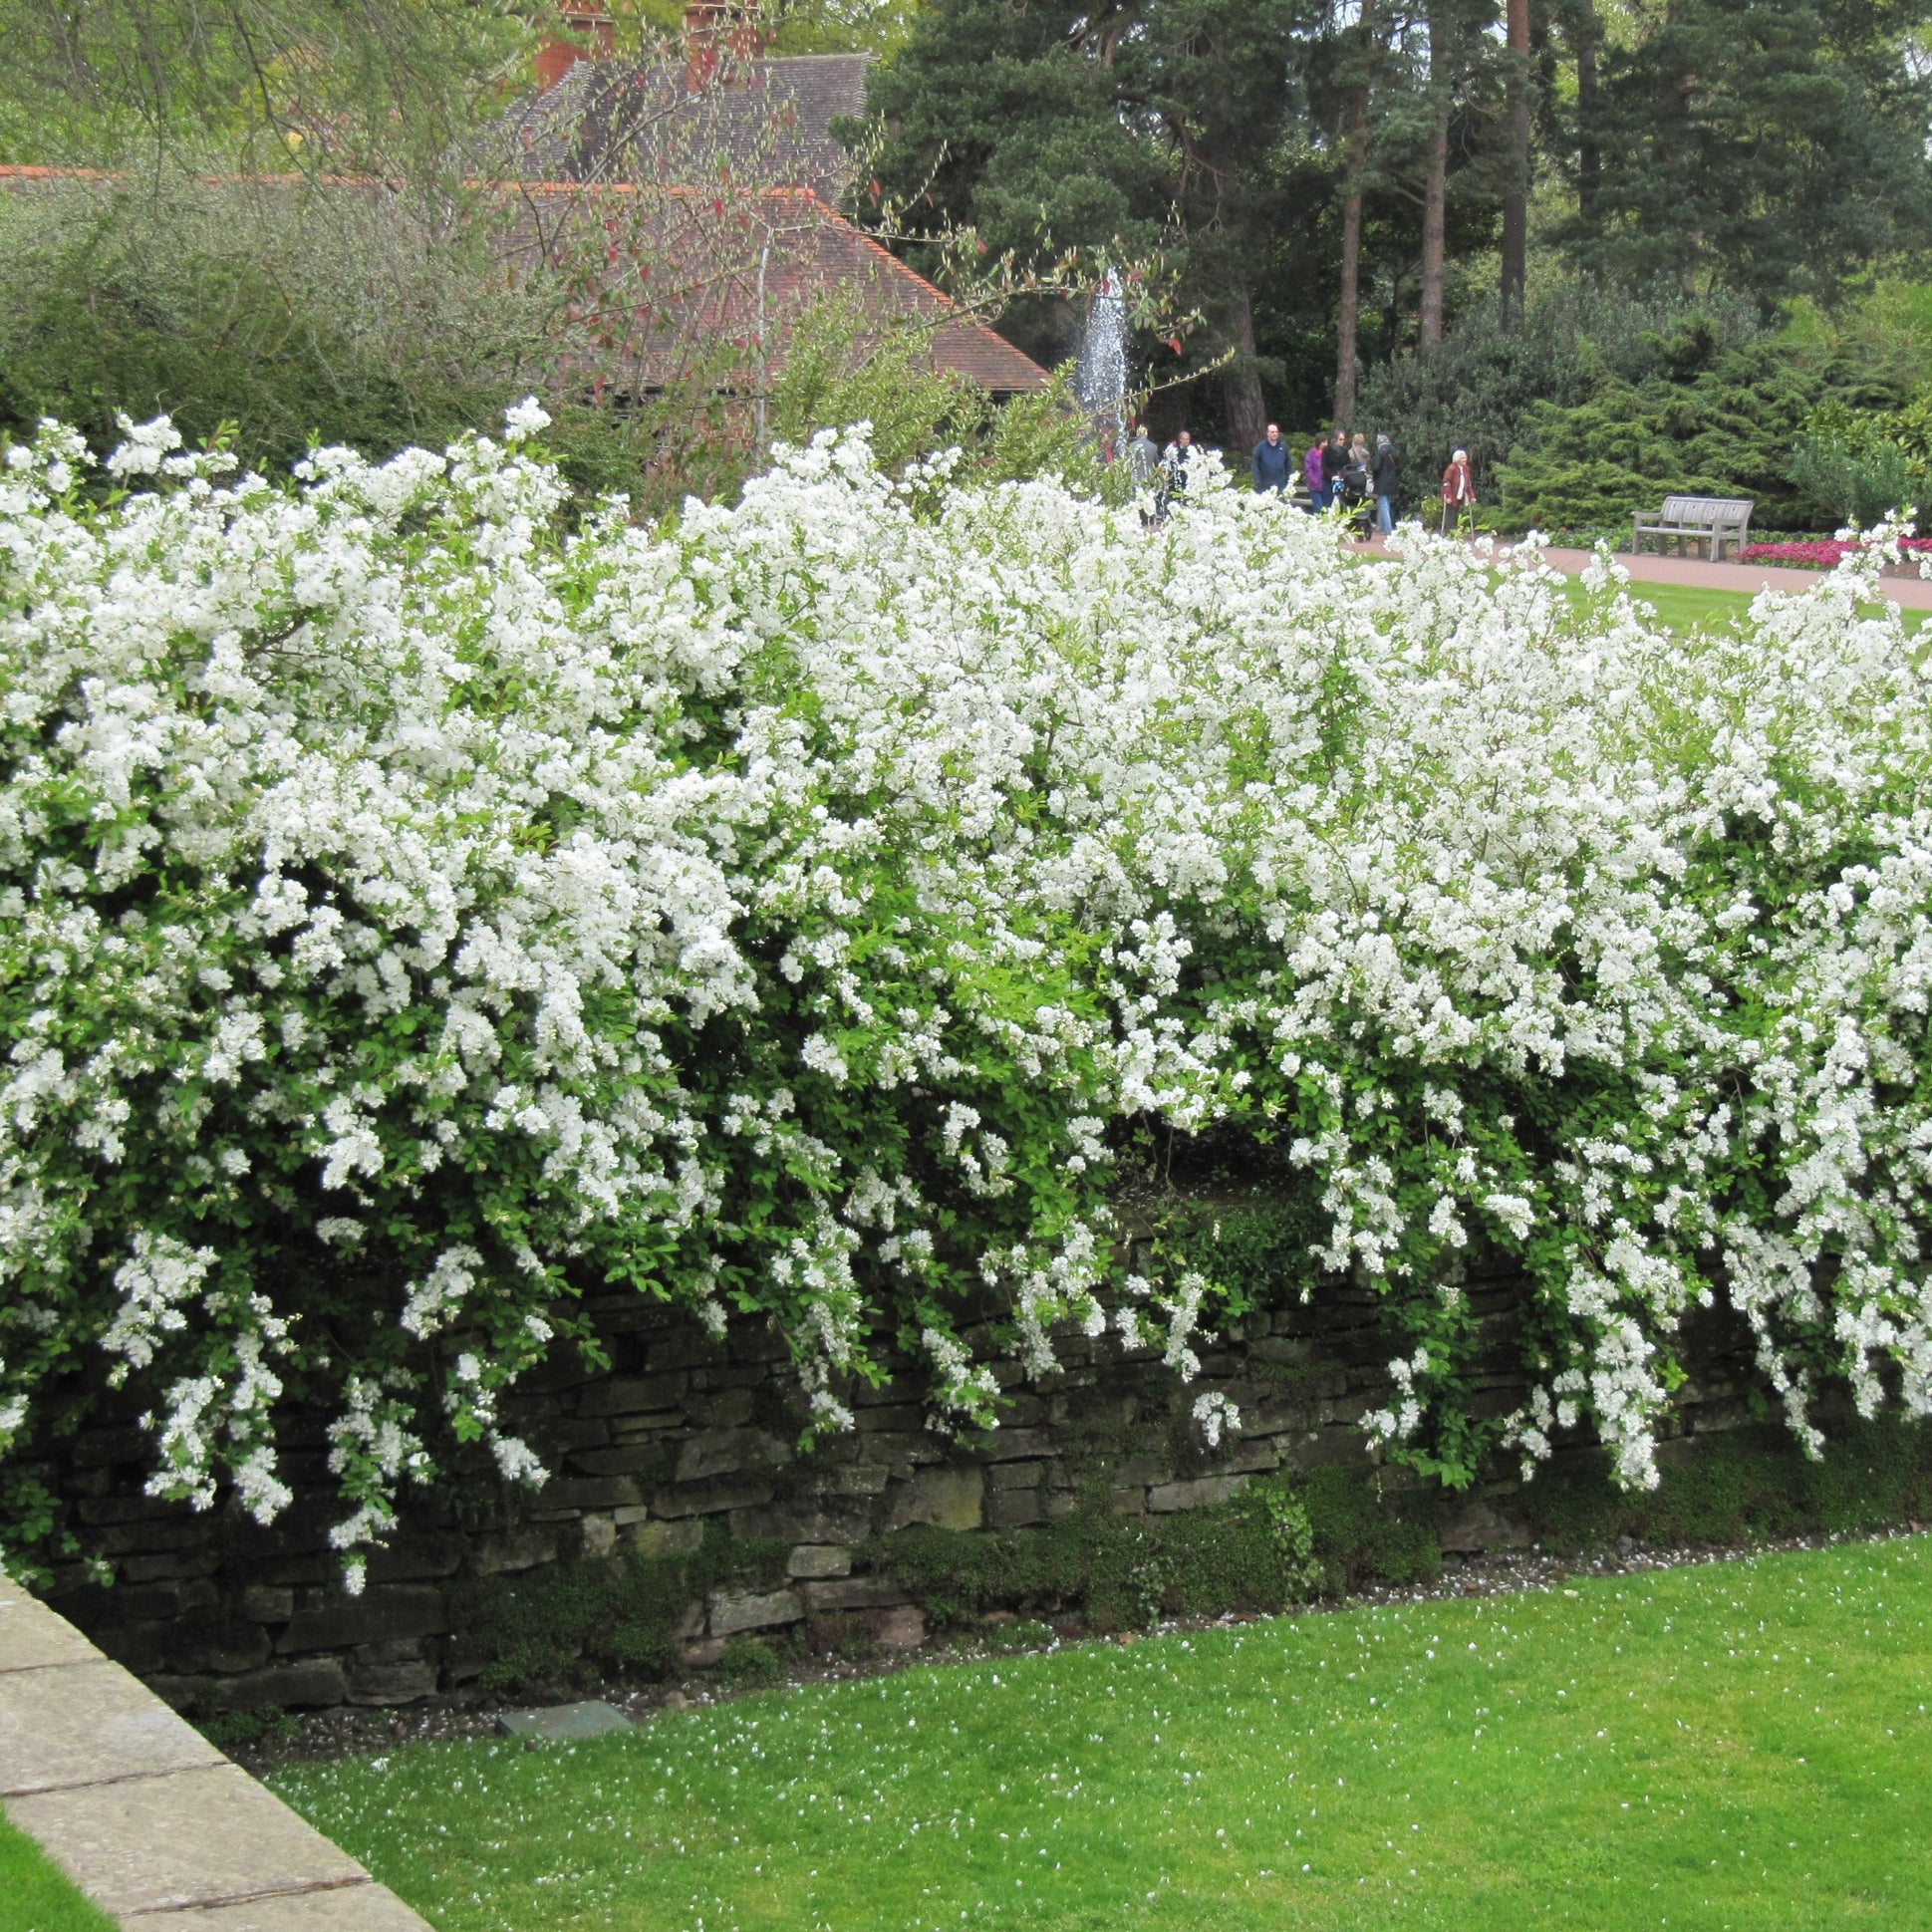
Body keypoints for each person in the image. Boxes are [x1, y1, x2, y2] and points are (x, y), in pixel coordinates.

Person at [1157, 428, 1194, 520]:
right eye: (1184, 439)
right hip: (1175, 478)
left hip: (1188, 479)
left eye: (1188, 439)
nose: (1186, 441)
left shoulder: (1192, 451)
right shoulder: (1173, 451)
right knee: (1173, 496)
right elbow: (1166, 462)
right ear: (1180, 440)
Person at [1441, 446, 1477, 534]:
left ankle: (1455, 533)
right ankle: (1449, 534)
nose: (1465, 459)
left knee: (1456, 515)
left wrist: (1472, 496)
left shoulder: (1466, 469)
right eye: (1462, 458)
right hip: (1452, 496)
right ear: (1457, 459)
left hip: (1460, 495)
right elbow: (1446, 482)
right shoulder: (1452, 468)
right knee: (1450, 515)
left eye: (1465, 457)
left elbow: (1468, 484)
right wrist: (1448, 496)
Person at [1371, 433, 1400, 536]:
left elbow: (1376, 467)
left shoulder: (1380, 452)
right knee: (1388, 504)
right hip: (1392, 482)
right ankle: (1384, 527)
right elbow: (1399, 467)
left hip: (1382, 482)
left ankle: (1388, 529)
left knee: (1383, 506)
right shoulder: (1395, 451)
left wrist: (1374, 477)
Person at [1252, 421, 1293, 495]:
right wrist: (1257, 480)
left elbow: (1288, 464)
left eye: (1276, 432)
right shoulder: (1260, 447)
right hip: (1265, 484)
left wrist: (1289, 479)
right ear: (1267, 433)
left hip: (1281, 484)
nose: (1275, 434)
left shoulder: (1283, 447)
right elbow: (1255, 464)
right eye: (1272, 432)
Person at [1320, 430, 1349, 510]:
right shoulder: (1327, 450)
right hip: (1328, 480)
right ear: (1335, 439)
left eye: (1343, 439)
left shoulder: (1345, 451)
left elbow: (1347, 466)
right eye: (1340, 439)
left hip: (1340, 480)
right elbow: (1324, 465)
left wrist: (1343, 475)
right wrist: (1331, 476)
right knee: (1327, 503)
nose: (1342, 441)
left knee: (1340, 503)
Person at [1303, 435, 1326, 509]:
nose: (1325, 444)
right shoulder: (1311, 454)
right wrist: (1315, 480)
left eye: (1326, 442)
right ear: (1319, 442)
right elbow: (1308, 469)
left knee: (1326, 508)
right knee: (1318, 507)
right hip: (1315, 487)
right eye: (1323, 442)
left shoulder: (1328, 454)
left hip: (1326, 486)